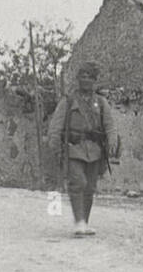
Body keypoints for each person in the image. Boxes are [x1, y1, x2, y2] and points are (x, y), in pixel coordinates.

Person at [46, 61, 117, 237]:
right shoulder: (68, 101)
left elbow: (109, 125)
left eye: (90, 77)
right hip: (73, 148)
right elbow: (56, 126)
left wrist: (112, 142)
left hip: (94, 150)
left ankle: (85, 221)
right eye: (83, 77)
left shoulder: (100, 103)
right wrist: (55, 148)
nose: (86, 80)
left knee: (90, 187)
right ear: (78, 80)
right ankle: (78, 222)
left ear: (94, 81)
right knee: (78, 183)